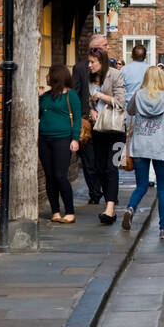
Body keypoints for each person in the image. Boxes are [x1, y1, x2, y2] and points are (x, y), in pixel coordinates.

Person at [122, 66, 164, 240]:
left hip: (140, 144)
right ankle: (163, 228)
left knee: (141, 185)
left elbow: (130, 111)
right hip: (159, 146)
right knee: (162, 187)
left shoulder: (139, 94)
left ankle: (130, 208)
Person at [87, 47, 127, 225]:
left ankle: (110, 208)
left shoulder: (115, 75)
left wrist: (100, 96)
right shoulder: (90, 79)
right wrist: (90, 110)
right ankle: (110, 201)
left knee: (112, 168)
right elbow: (89, 101)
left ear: (101, 62)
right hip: (98, 129)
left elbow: (120, 102)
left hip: (116, 130)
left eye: (92, 62)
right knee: (100, 168)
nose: (89, 65)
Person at [38, 64, 81, 223]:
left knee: (60, 175)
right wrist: (38, 97)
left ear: (57, 77)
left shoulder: (71, 96)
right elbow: (39, 113)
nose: (47, 77)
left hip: (63, 139)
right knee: (49, 177)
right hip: (44, 139)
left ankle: (70, 212)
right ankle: (55, 211)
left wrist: (75, 139)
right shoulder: (46, 96)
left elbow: (77, 119)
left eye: (49, 74)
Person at [72, 40, 104, 203]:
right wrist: (83, 114)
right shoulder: (80, 68)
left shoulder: (110, 68)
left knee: (106, 160)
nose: (106, 48)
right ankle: (95, 193)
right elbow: (75, 94)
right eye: (102, 45)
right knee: (89, 160)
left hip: (107, 121)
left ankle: (110, 192)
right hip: (88, 120)